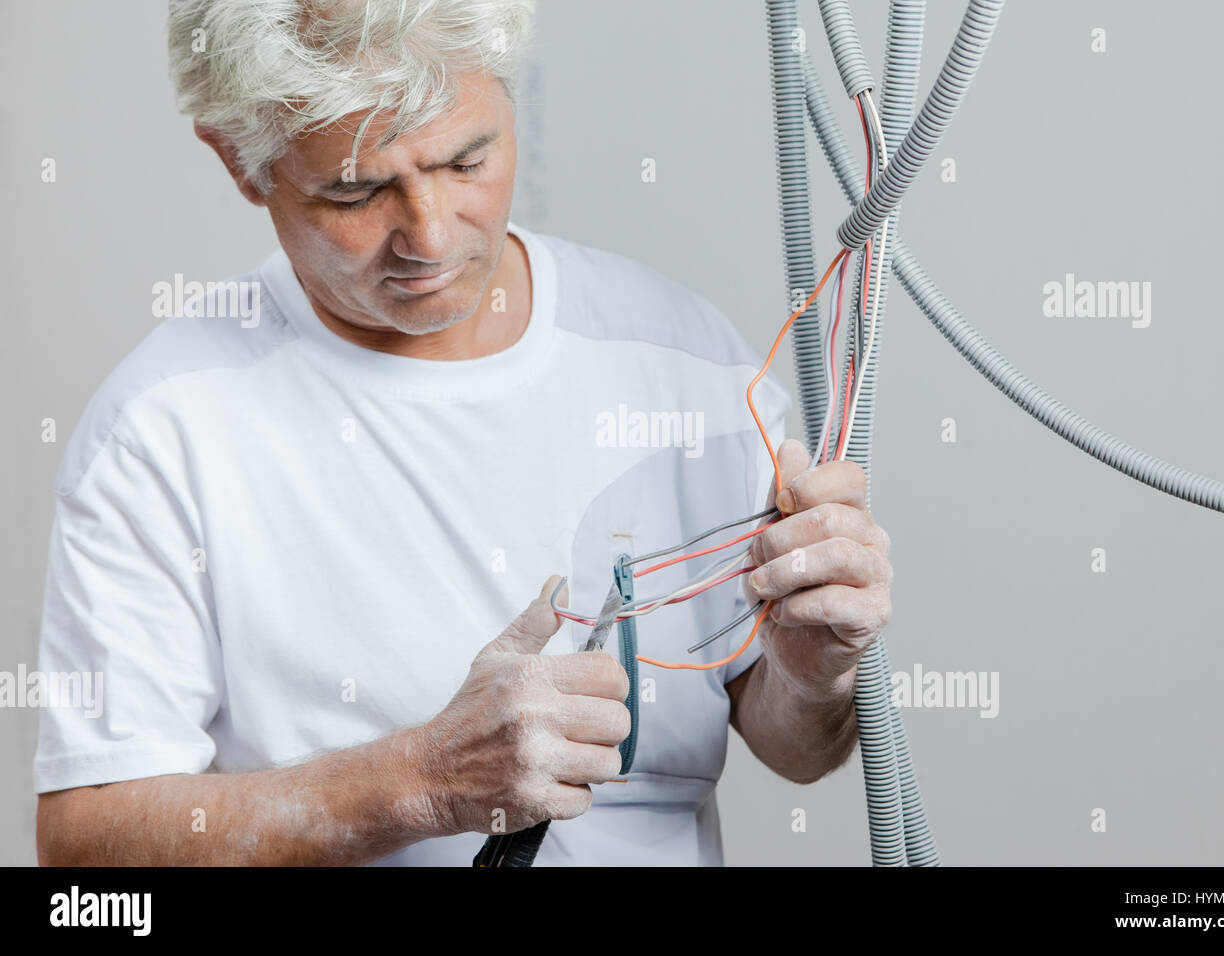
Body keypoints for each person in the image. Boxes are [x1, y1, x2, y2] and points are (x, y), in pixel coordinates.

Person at [33, 0, 894, 866]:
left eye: (465, 161)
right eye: (357, 190)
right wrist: (418, 784)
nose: (431, 236)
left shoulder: (687, 361)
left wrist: (809, 671)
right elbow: (85, 846)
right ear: (238, 159)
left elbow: (798, 751)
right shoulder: (164, 428)